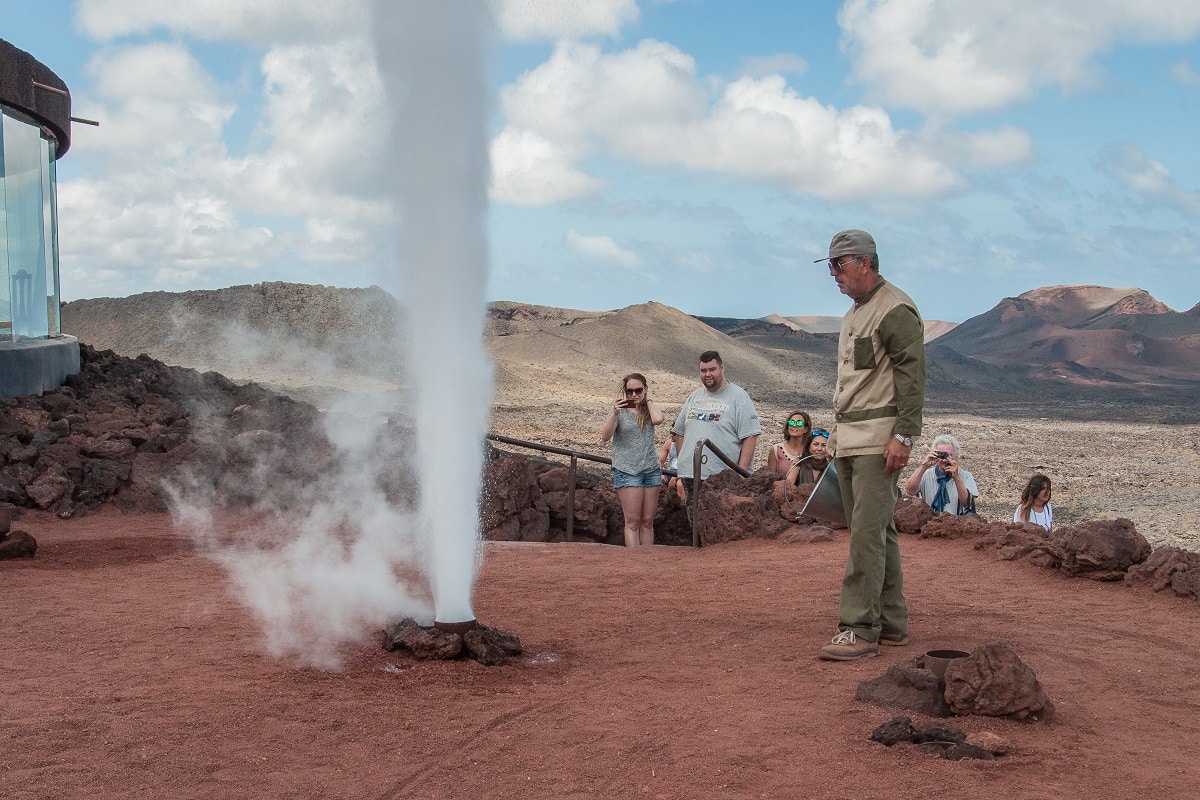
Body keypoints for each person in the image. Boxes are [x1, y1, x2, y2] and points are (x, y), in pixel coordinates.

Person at [815, 229, 926, 662]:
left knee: (864, 534)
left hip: (879, 441)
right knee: (879, 532)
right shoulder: (856, 313)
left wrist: (904, 436)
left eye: (839, 265)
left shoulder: (894, 309)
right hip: (851, 439)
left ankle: (860, 628)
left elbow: (912, 378)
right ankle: (893, 623)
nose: (833, 274)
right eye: (830, 266)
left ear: (865, 262)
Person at [671, 350, 762, 524]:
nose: (707, 374)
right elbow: (680, 431)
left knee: (718, 524)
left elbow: (750, 436)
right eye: (703, 371)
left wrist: (740, 473)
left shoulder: (738, 397)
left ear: (722, 368)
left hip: (722, 477)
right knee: (695, 523)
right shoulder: (694, 397)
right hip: (692, 475)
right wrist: (684, 464)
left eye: (712, 369)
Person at [600, 373, 665, 547]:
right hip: (628, 470)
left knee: (648, 521)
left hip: (651, 469)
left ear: (645, 390)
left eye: (638, 390)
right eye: (630, 391)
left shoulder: (648, 410)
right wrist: (614, 414)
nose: (634, 395)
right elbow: (605, 436)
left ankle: (646, 562)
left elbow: (659, 419)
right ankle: (634, 563)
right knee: (632, 522)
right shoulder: (619, 411)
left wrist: (648, 400)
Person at [903, 434, 978, 515]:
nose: (944, 460)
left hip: (957, 523)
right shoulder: (926, 474)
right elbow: (909, 491)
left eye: (948, 455)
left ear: (956, 457)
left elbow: (966, 504)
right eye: (941, 455)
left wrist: (956, 478)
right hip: (931, 523)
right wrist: (924, 466)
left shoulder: (966, 476)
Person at [768, 410, 813, 476]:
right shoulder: (776, 450)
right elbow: (769, 478)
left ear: (806, 429)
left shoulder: (810, 451)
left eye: (799, 423)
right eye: (791, 422)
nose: (794, 425)